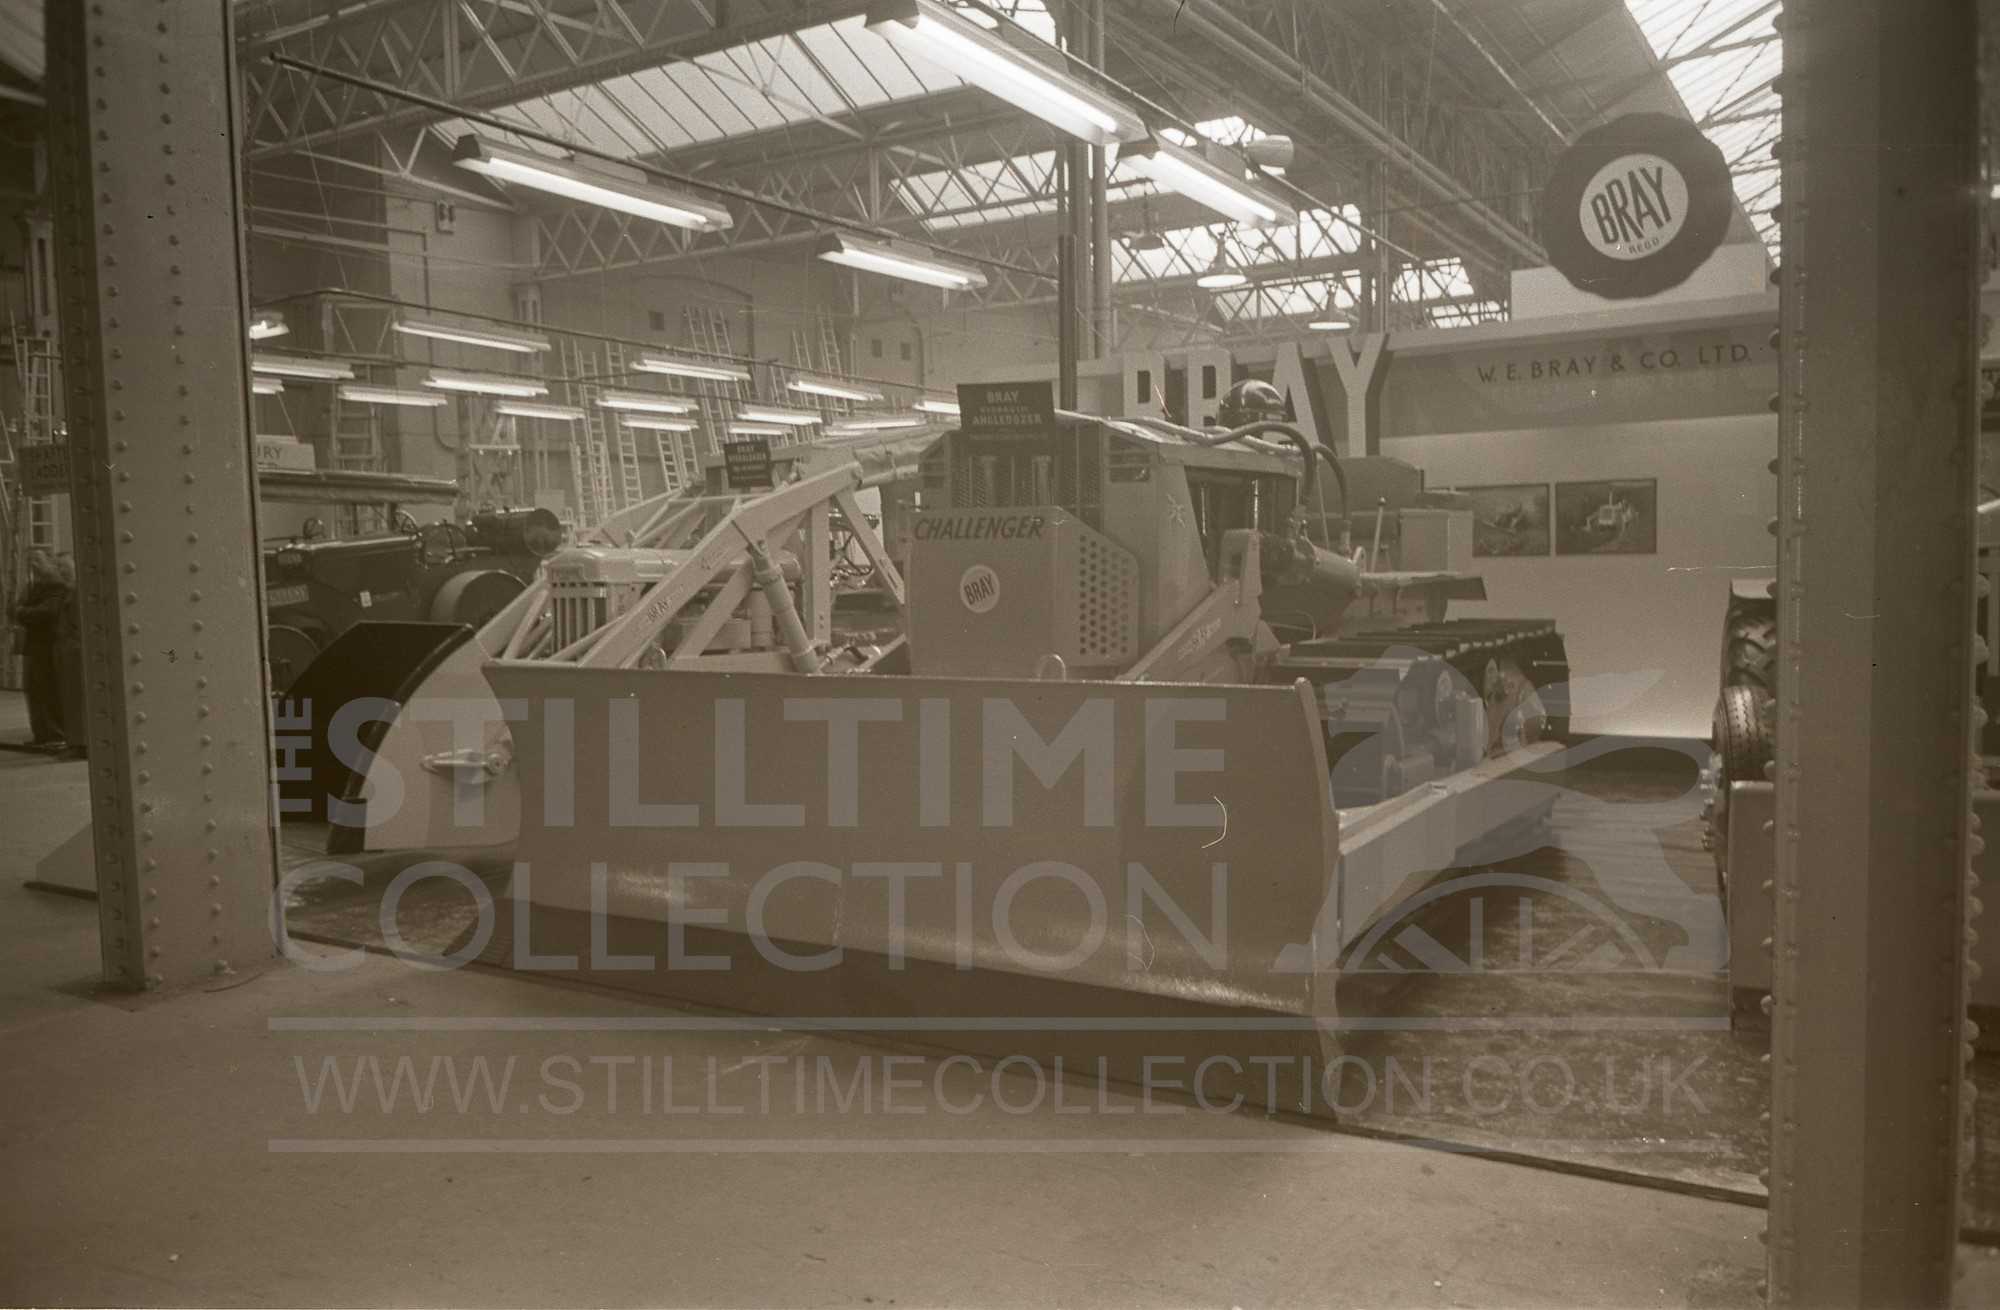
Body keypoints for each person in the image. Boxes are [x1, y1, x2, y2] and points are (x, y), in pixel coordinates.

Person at [11, 549, 64, 747]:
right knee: (34, 691)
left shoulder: (56, 585)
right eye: (30, 560)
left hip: (46, 646)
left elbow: (46, 613)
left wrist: (22, 612)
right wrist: (22, 611)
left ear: (49, 562)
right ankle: (41, 734)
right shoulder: (34, 587)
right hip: (34, 646)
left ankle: (53, 734)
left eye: (37, 560)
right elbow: (15, 610)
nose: (33, 564)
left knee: (47, 691)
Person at [52, 556, 85, 760]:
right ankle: (76, 741)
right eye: (58, 567)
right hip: (68, 650)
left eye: (64, 567)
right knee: (71, 698)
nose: (61, 571)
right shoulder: (69, 592)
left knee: (76, 699)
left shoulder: (74, 593)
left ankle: (80, 743)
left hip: (74, 651)